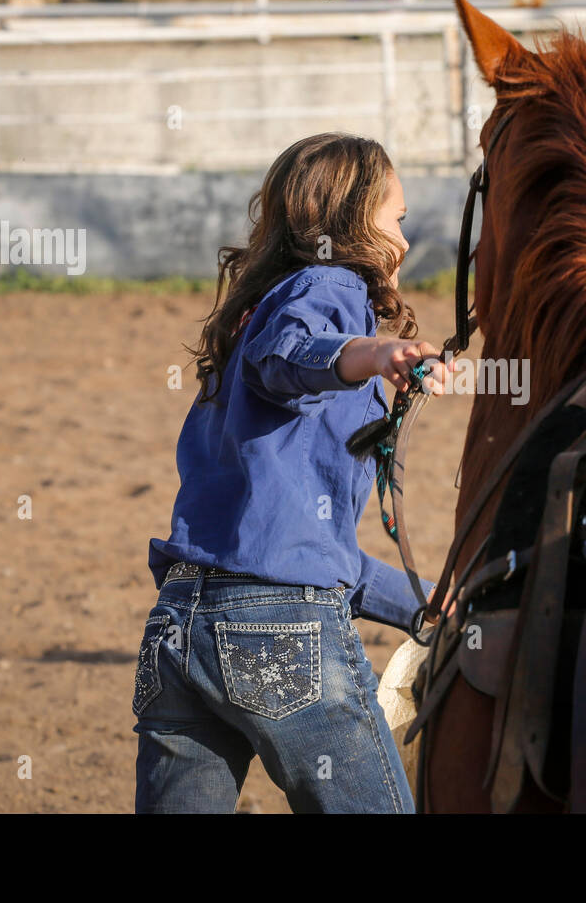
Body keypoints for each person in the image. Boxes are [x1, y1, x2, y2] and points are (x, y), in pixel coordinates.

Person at [133, 132, 452, 813]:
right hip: (278, 633)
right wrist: (371, 355)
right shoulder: (330, 285)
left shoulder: (248, 319)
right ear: (354, 219)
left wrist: (428, 608)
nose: (404, 233)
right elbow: (293, 356)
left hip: (178, 628)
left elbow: (300, 549)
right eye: (397, 218)